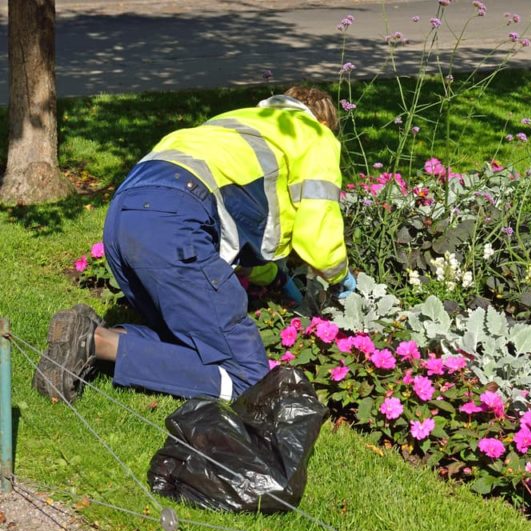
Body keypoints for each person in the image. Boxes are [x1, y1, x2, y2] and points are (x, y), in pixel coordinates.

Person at [34, 87, 357, 403]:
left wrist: (273, 276)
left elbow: (235, 215)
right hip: (176, 223)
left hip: (124, 218)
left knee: (191, 340)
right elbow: (317, 226)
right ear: (324, 122)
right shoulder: (314, 134)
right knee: (247, 377)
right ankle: (96, 342)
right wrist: (339, 276)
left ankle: (82, 335)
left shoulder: (234, 121)